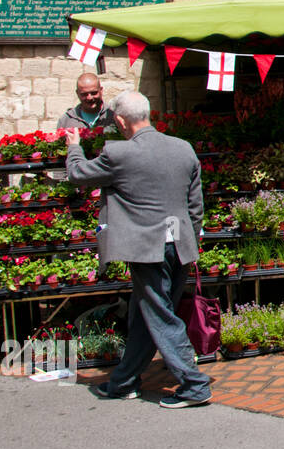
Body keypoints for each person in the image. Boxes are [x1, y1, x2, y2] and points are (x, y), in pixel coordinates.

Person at [66, 90, 211, 408]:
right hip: (180, 243)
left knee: (159, 314)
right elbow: (195, 204)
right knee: (147, 314)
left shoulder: (119, 154)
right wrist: (190, 236)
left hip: (148, 247)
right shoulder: (183, 149)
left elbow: (78, 175)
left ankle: (194, 384)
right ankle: (124, 382)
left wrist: (74, 147)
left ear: (119, 120)